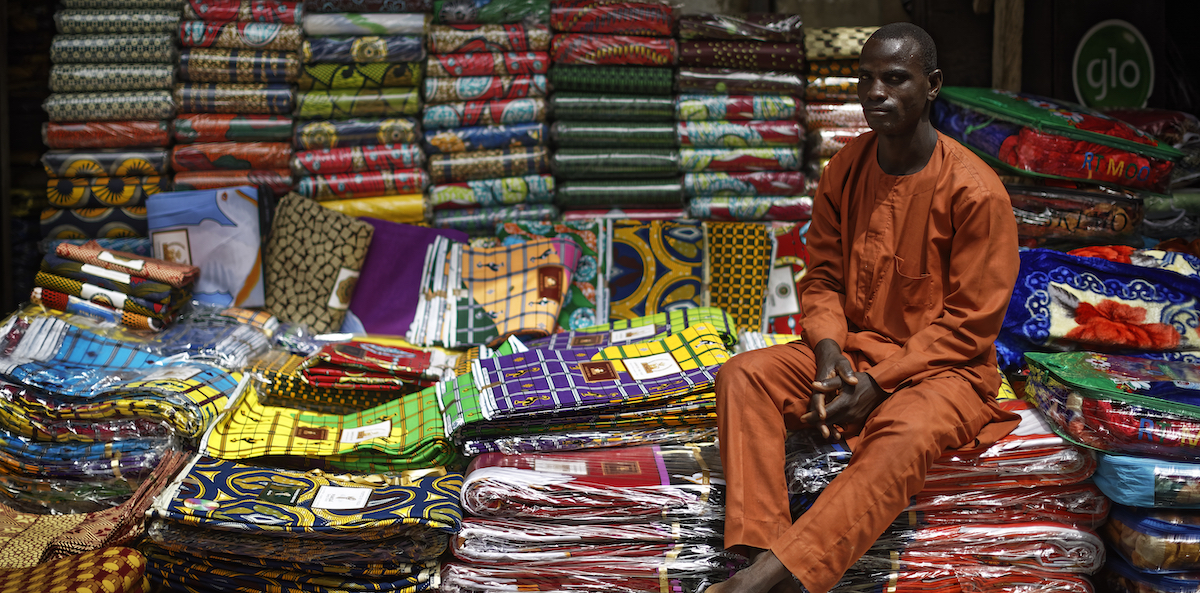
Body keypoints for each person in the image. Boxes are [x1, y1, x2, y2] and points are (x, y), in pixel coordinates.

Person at [710, 22, 1022, 593]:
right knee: (743, 375)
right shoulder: (845, 167)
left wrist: (878, 383)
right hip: (852, 351)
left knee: (905, 436)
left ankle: (768, 579)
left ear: (932, 86)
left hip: (943, 372)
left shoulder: (975, 191)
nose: (876, 92)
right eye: (867, 78)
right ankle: (754, 548)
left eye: (895, 79)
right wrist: (829, 351)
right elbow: (823, 276)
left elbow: (970, 325)